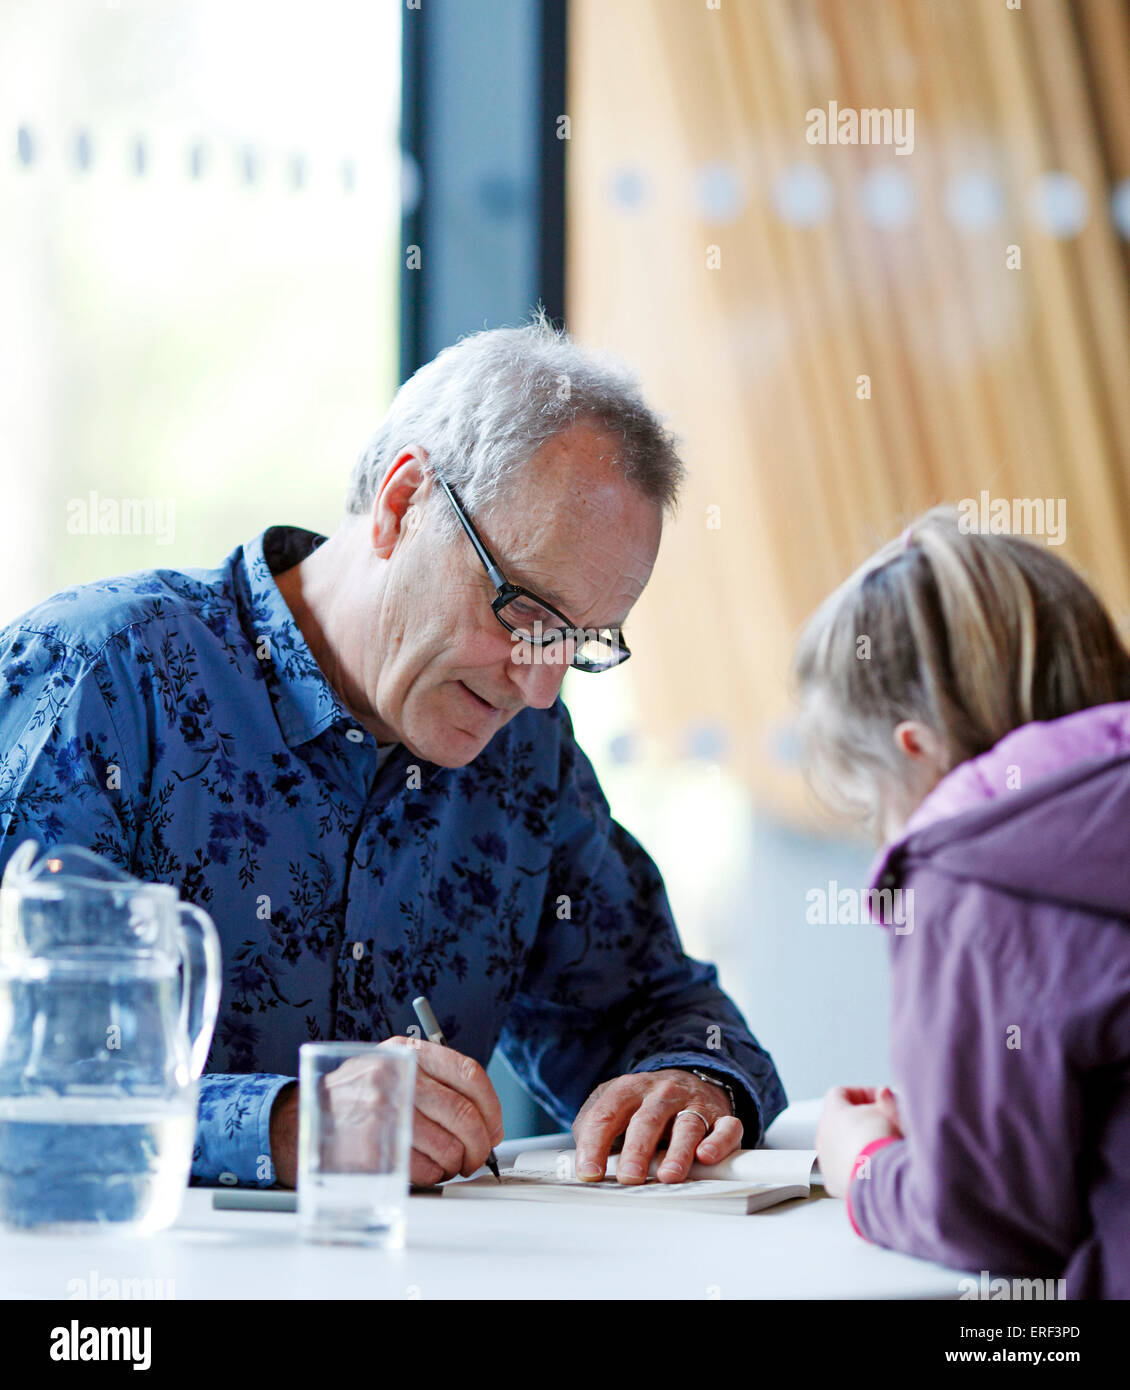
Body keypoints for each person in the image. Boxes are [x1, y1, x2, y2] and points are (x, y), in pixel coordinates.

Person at [0, 315, 785, 1190]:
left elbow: (656, 1006)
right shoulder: (100, 679)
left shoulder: (524, 757)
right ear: (403, 505)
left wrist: (690, 1086)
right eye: (524, 614)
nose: (541, 689)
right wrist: (282, 1126)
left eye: (581, 640)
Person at [795, 506, 1130, 1298]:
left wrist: (868, 1166)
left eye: (872, 803)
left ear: (919, 753)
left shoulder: (967, 866)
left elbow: (989, 1220)